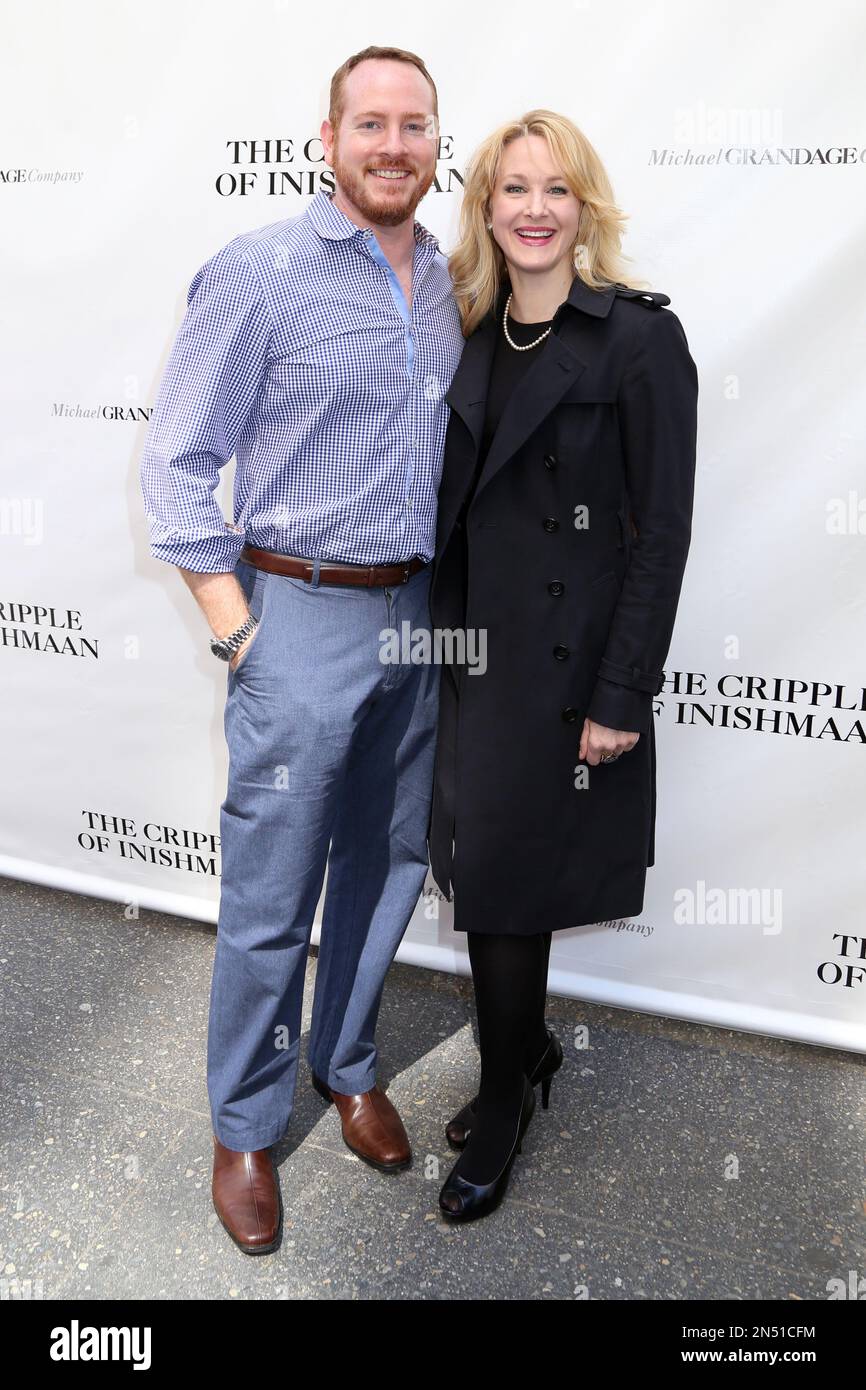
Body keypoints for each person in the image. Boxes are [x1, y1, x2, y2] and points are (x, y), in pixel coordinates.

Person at [139, 46, 464, 1254]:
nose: (393, 145)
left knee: (384, 862)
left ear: (439, 144)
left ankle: (349, 1065)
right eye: (370, 124)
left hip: (417, 611)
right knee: (272, 893)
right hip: (295, 610)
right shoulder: (259, 272)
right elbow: (174, 467)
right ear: (325, 138)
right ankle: (243, 1123)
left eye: (415, 126)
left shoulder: (444, 276)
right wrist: (241, 639)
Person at [427, 110, 699, 1222]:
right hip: (470, 657)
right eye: (512, 188)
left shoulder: (636, 340)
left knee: (505, 885)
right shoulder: (469, 331)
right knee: (489, 872)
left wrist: (619, 690)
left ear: (583, 208)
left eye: (555, 189)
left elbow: (661, 529)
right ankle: (525, 1053)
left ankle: (501, 1098)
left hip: (567, 668)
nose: (532, 209)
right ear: (485, 206)